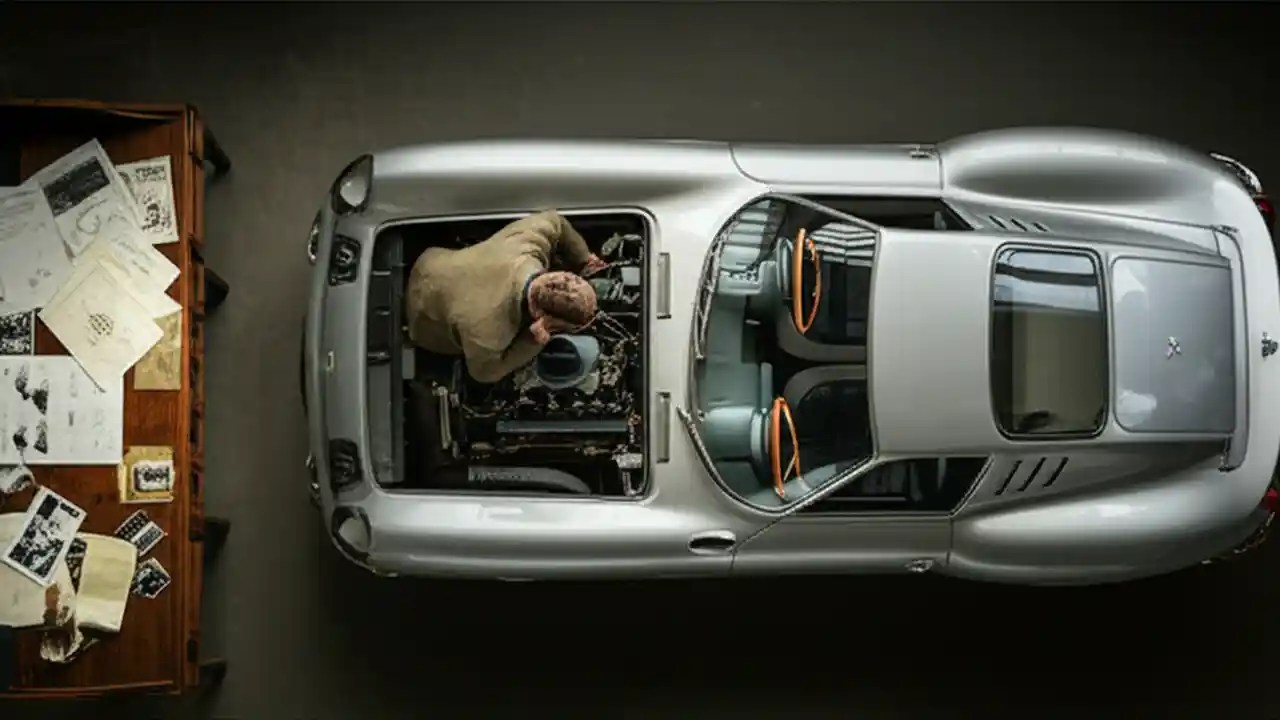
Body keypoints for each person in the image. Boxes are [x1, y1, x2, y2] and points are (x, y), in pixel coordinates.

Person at [406, 210, 608, 383]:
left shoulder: (525, 245)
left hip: (427, 264)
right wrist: (532, 341)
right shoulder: (491, 333)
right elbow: (483, 374)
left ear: (557, 273)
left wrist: (584, 258)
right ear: (541, 315)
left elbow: (555, 220)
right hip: (418, 318)